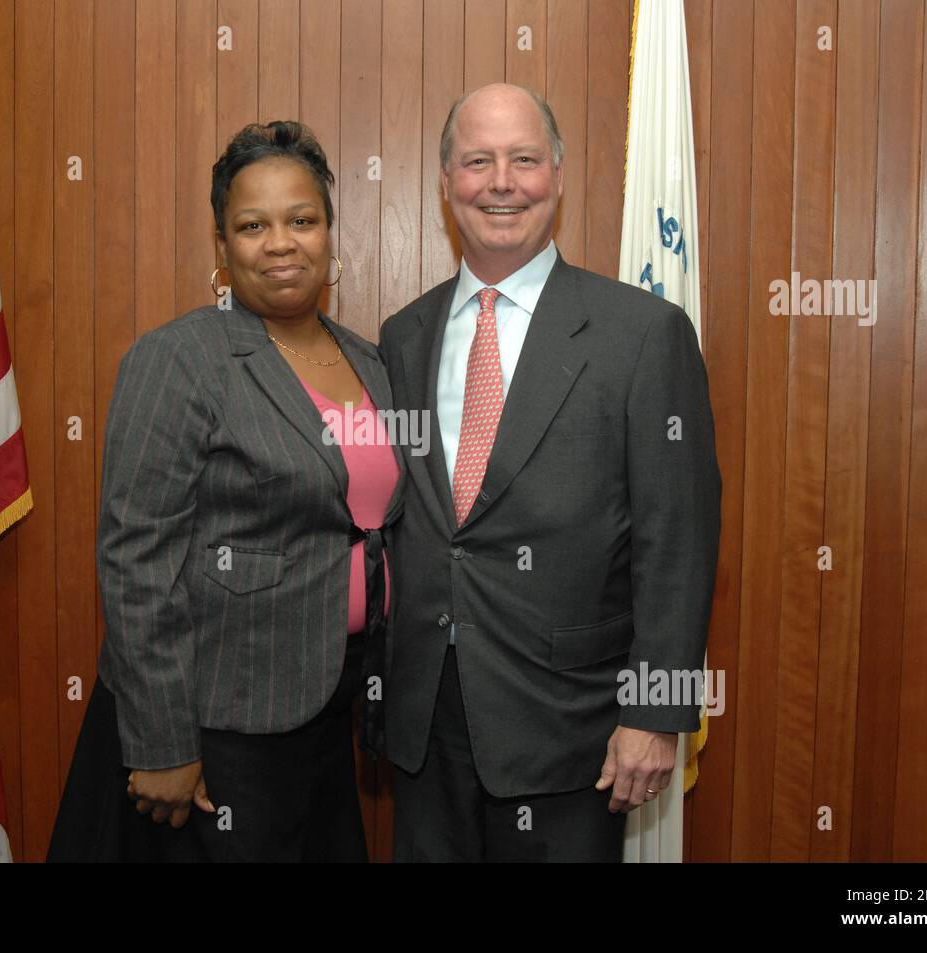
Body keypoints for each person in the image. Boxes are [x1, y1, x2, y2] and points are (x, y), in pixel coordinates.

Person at [378, 84, 722, 862]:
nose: (501, 182)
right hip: (425, 725)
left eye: (524, 159)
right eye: (477, 161)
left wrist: (657, 712)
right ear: (445, 183)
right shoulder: (405, 334)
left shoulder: (644, 335)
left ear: (558, 176)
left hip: (577, 733)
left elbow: (681, 538)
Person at [48, 120, 403, 862]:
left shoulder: (370, 362)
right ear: (223, 245)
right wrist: (162, 742)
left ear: (330, 233)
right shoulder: (180, 359)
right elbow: (135, 558)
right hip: (217, 725)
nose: (281, 242)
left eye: (302, 220)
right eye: (253, 225)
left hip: (326, 717)